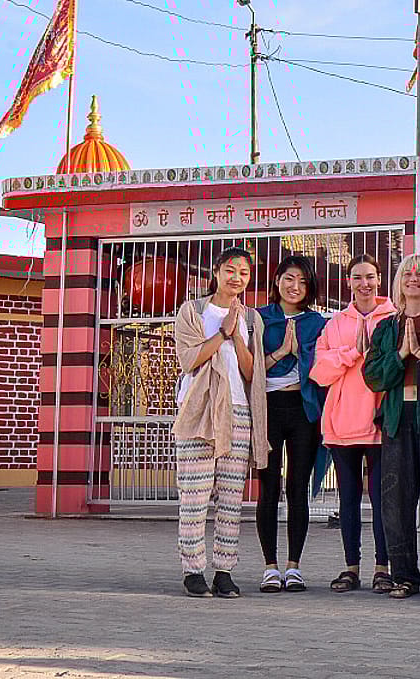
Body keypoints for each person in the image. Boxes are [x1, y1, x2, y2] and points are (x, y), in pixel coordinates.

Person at [172, 246, 270, 599]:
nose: (237, 278)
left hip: (239, 410)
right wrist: (222, 333)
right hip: (199, 411)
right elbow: (189, 359)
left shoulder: (252, 318)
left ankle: (224, 571)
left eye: (243, 273)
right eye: (230, 270)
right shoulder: (193, 311)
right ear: (216, 272)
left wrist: (238, 335)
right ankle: (193, 570)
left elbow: (250, 371)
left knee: (231, 499)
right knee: (195, 497)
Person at [363, 254, 420, 601]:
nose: (413, 278)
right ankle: (404, 576)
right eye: (407, 273)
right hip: (396, 418)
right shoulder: (387, 326)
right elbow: (372, 376)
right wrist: (401, 355)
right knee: (395, 502)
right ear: (399, 281)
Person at [310, 255, 396, 594]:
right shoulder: (334, 324)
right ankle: (350, 567)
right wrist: (352, 352)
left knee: (380, 500)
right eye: (358, 277)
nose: (365, 284)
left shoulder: (392, 317)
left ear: (380, 279)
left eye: (371, 277)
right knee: (347, 501)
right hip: (343, 426)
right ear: (348, 282)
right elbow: (320, 371)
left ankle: (382, 567)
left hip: (379, 424)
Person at [255, 255, 328, 593]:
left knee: (298, 487)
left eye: (301, 281)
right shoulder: (258, 318)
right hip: (268, 407)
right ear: (277, 281)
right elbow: (249, 366)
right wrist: (282, 352)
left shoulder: (317, 322)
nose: (294, 286)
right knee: (269, 486)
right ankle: (270, 566)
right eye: (288, 278)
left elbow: (324, 366)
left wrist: (301, 354)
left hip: (303, 408)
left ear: (309, 286)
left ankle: (294, 566)